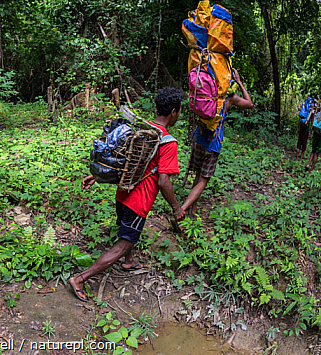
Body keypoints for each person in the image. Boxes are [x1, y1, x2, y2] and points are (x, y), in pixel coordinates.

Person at [68, 87, 184, 302]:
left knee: (126, 234)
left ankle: (128, 261)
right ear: (174, 112)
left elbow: (124, 160)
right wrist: (177, 209)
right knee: (123, 244)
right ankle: (80, 279)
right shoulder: (168, 142)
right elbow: (164, 181)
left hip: (122, 195)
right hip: (138, 202)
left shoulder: (141, 129)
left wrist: (97, 177)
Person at [177, 69, 253, 220]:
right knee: (203, 181)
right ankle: (182, 210)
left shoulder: (207, 91)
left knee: (197, 176)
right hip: (213, 143)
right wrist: (239, 82)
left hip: (199, 138)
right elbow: (250, 104)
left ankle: (193, 211)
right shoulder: (229, 97)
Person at [296, 96, 315, 161]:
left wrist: (298, 128)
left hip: (301, 127)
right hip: (306, 129)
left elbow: (299, 119)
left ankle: (296, 158)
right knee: (304, 143)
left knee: (299, 142)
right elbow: (312, 123)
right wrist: (311, 133)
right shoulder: (311, 112)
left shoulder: (303, 108)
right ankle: (301, 159)